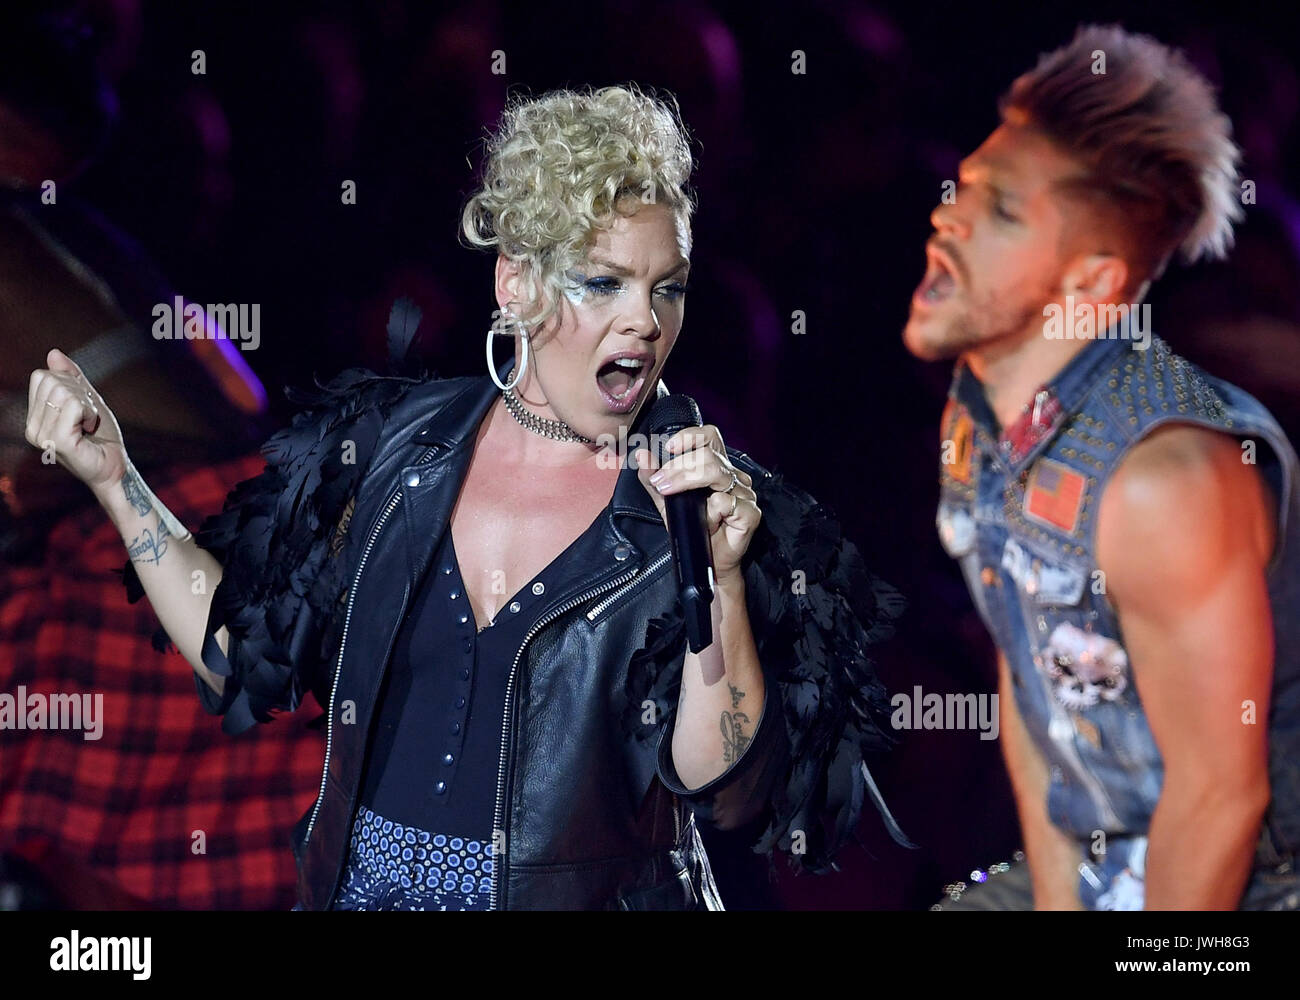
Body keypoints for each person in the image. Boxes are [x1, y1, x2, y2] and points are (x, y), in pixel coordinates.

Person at [26, 84, 908, 910]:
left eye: (665, 286)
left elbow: (715, 781)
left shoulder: (697, 502)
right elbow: (234, 652)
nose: (645, 319)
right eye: (603, 282)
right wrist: (117, 479)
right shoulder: (389, 449)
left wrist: (716, 584)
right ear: (514, 283)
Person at [904, 24, 1300, 911]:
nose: (948, 215)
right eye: (965, 188)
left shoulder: (1164, 478)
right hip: (1109, 866)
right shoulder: (978, 415)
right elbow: (1032, 678)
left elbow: (1221, 801)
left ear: (1090, 284)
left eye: (1000, 210)